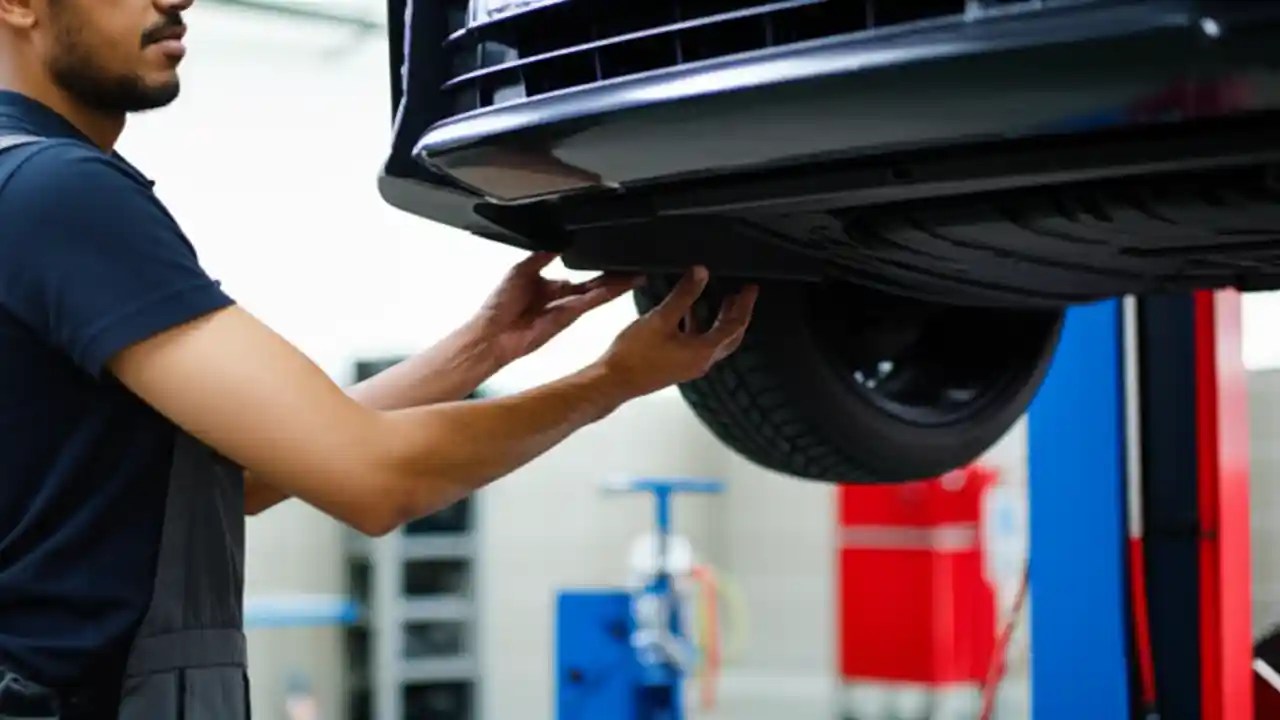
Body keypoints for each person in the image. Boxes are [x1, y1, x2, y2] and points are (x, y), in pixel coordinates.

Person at [0, 0, 759, 717]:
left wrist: (477, 350)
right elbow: (377, 480)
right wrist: (612, 381)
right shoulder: (58, 195)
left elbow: (235, 476)